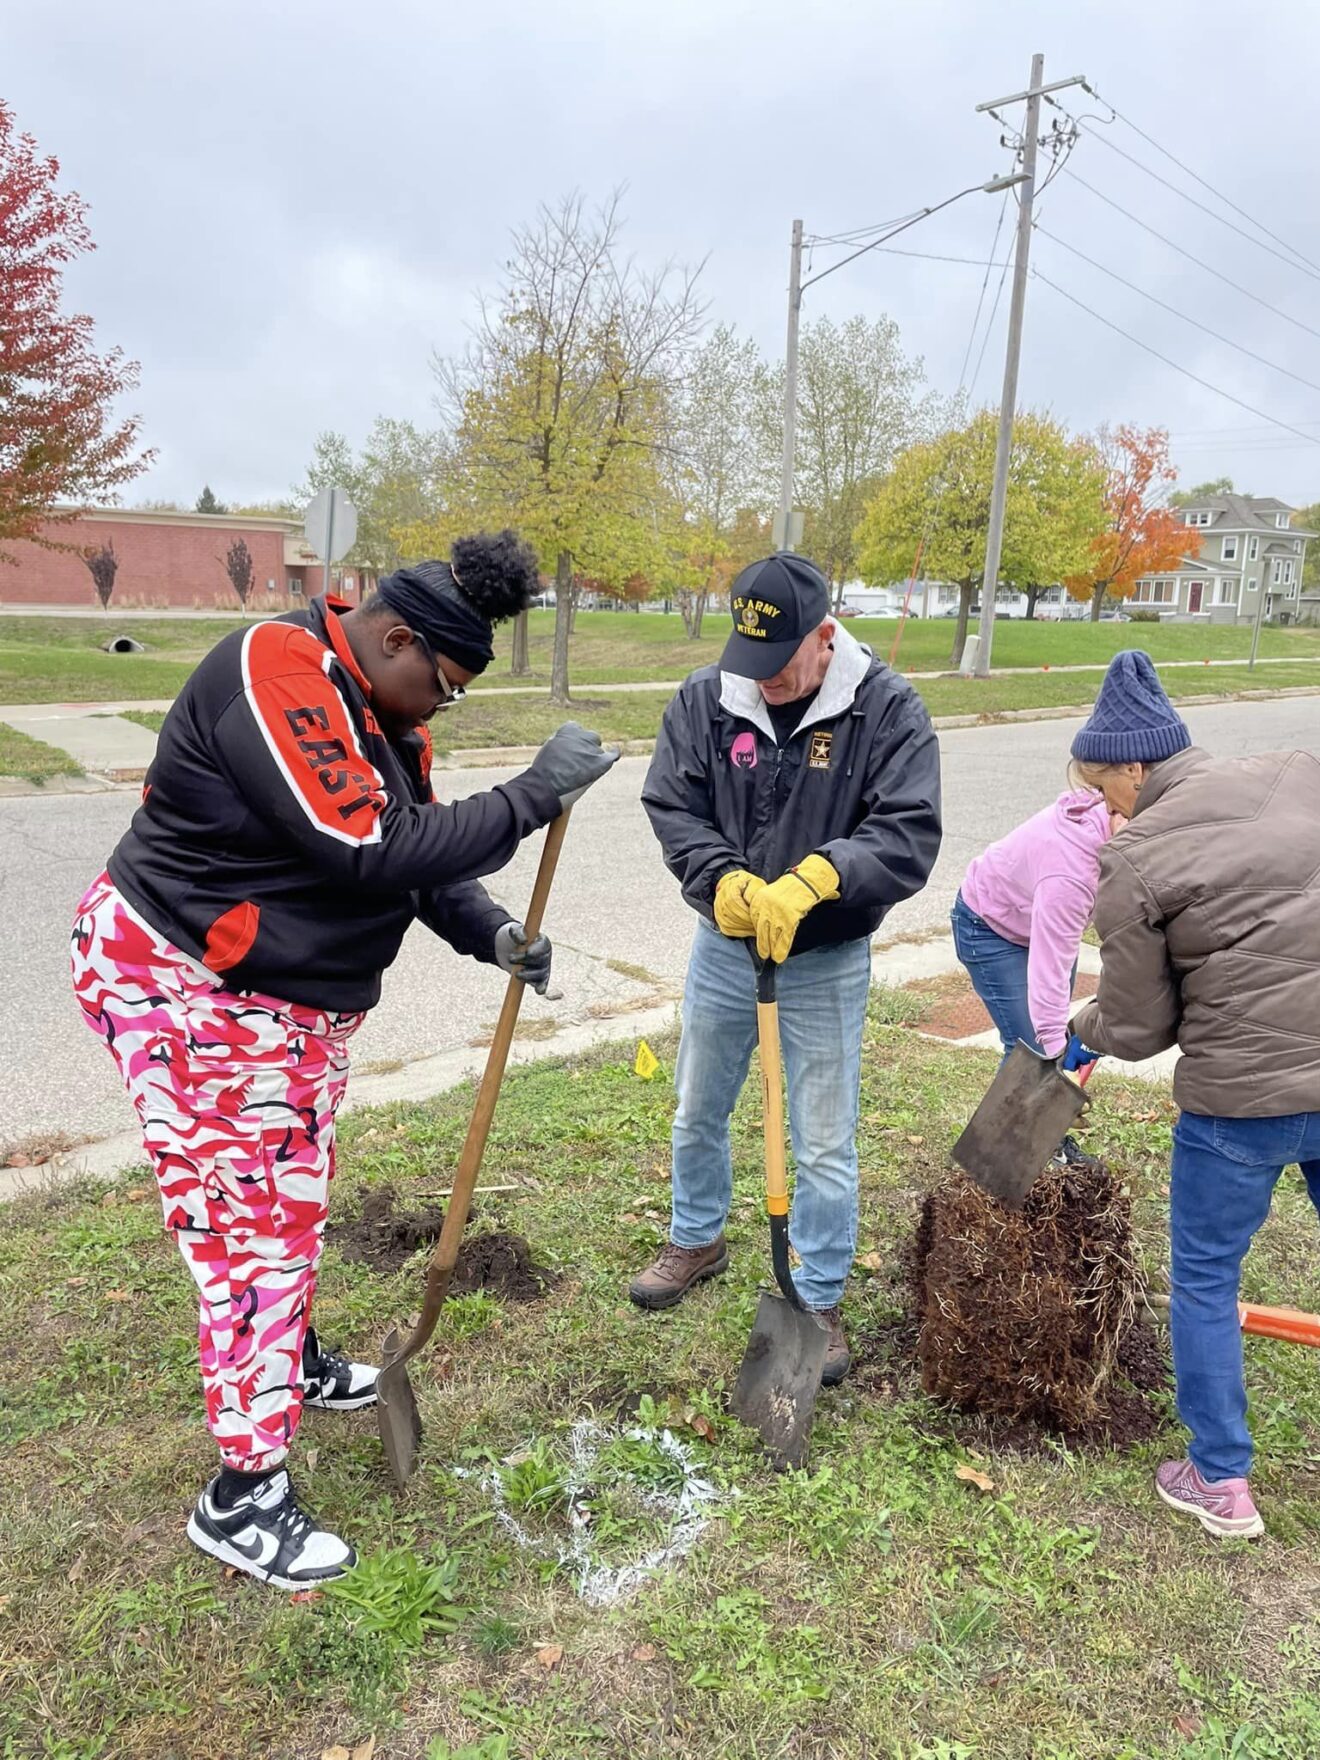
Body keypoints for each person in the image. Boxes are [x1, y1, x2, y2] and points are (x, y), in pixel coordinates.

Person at [70, 531, 618, 1590]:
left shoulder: (378, 714)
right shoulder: (276, 671)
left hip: (279, 1006)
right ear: (396, 636)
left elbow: (409, 854)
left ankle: (288, 1358)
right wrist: (530, 796)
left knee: (289, 1196)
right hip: (188, 982)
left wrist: (491, 930)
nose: (441, 707)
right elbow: (367, 848)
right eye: (442, 685)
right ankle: (244, 1493)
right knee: (251, 1228)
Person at [634, 553, 942, 1382]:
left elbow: (908, 831)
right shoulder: (710, 697)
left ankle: (819, 1291)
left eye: (780, 665)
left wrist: (821, 876)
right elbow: (672, 802)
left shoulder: (886, 709)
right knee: (699, 1105)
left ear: (826, 638)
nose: (763, 680)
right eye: (751, 660)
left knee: (824, 1137)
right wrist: (721, 878)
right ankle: (696, 1237)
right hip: (725, 947)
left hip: (825, 957)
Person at [1069, 652, 1320, 1540]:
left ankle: (1221, 1480)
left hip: (1242, 1102)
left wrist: (1085, 1019)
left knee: (1207, 1278)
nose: (1107, 808)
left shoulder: (1134, 855)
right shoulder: (1301, 772)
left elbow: (1138, 1030)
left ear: (1135, 767)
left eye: (1106, 789)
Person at [949, 651, 1189, 1165]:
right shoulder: (1071, 869)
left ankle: (1037, 1142)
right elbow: (1050, 965)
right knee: (1031, 1049)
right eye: (1098, 791)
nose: (1107, 803)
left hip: (1038, 922)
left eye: (1105, 791)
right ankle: (1011, 1161)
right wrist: (1056, 1046)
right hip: (989, 926)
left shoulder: (1123, 828)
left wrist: (1091, 1029)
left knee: (1049, 1037)